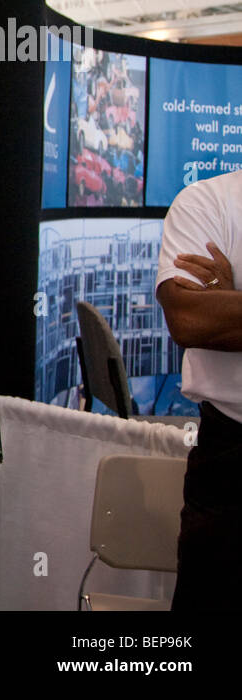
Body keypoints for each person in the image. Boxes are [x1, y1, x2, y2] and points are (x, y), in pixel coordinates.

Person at [154, 168, 242, 611]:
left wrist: (230, 300)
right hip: (231, 460)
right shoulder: (208, 201)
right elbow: (189, 319)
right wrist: (213, 309)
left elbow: (214, 317)